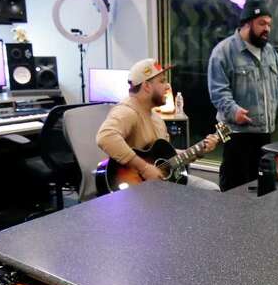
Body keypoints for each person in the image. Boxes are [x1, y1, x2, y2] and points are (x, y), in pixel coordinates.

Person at [207, 0, 278, 191]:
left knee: (262, 189)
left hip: (264, 135)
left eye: (269, 24)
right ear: (246, 23)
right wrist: (234, 111)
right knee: (234, 189)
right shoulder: (223, 52)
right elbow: (218, 92)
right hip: (235, 134)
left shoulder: (270, 53)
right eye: (261, 24)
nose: (267, 29)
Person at [95, 58, 221, 190]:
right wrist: (144, 168)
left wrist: (198, 150)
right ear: (147, 86)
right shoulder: (127, 111)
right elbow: (106, 137)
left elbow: (166, 158)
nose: (167, 86)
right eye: (162, 81)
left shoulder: (156, 118)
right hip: (134, 190)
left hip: (160, 183)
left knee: (212, 189)